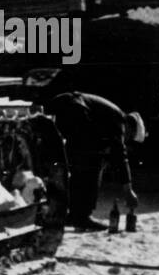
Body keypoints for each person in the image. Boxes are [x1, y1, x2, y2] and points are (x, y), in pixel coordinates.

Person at [43, 91, 143, 232]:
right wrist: (128, 191)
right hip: (75, 109)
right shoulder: (119, 120)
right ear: (130, 128)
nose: (125, 140)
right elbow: (120, 155)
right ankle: (82, 217)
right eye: (129, 138)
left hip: (63, 104)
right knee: (92, 162)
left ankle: (74, 214)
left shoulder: (109, 116)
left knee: (80, 165)